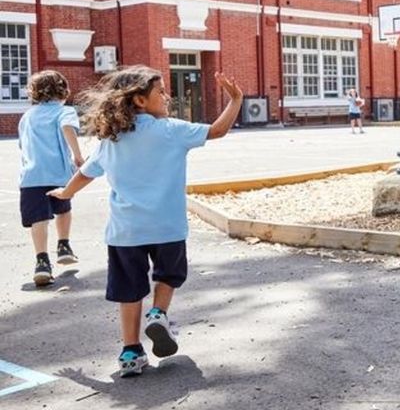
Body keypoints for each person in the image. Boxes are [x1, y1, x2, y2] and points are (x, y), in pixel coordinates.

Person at [48, 66, 243, 377]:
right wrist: (235, 100)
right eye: (160, 92)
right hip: (167, 226)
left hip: (126, 231)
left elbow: (85, 173)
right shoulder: (171, 130)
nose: (167, 97)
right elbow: (217, 130)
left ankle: (130, 352)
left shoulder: (111, 140)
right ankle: (158, 313)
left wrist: (64, 192)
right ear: (139, 100)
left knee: (128, 290)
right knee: (168, 275)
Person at [18, 70, 85, 287]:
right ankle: (64, 245)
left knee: (39, 219)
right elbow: (67, 128)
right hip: (58, 173)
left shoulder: (27, 116)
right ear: (63, 90)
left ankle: (42, 262)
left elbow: (23, 144)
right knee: (64, 208)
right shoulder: (64, 111)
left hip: (32, 175)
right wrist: (77, 155)